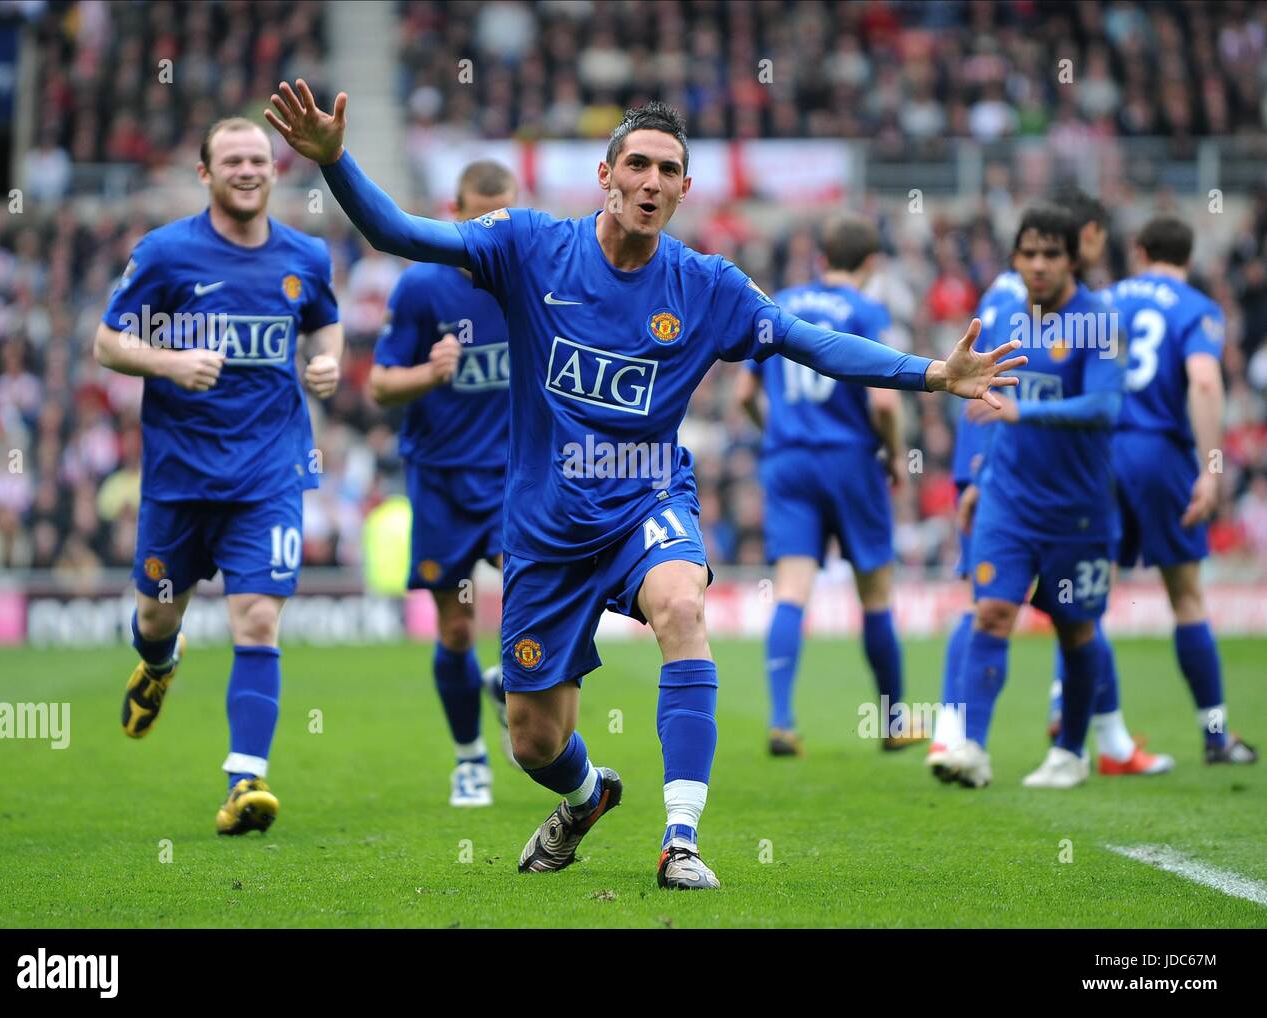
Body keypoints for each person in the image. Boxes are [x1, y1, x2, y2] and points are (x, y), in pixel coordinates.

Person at [265, 79, 1024, 888]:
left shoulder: (708, 287)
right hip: (544, 528)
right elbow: (398, 233)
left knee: (680, 605)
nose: (652, 182)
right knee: (534, 740)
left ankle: (682, 839)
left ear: (686, 189)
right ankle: (588, 796)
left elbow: (813, 343)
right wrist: (336, 161)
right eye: (638, 164)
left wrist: (934, 372)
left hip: (647, 500)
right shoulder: (529, 246)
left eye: (668, 170)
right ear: (607, 173)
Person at [95, 116, 342, 834]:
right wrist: (169, 362)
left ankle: (245, 782)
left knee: (259, 619)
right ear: (205, 174)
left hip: (269, 475)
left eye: (258, 159)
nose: (247, 169)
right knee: (154, 616)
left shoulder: (306, 256)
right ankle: (160, 660)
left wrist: (324, 359)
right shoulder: (167, 254)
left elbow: (323, 322)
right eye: (231, 159)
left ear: (274, 170)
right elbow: (107, 342)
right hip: (179, 478)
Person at [932, 204, 1123, 789]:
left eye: (1051, 254)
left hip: (1078, 508)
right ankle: (972, 749)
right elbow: (979, 404)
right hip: (1008, 500)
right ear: (1015, 259)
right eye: (1029, 253)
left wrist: (1025, 411)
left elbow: (1105, 406)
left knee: (1076, 628)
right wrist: (975, 479)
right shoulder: (1003, 318)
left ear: (1072, 259)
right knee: (991, 611)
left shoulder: (1098, 322)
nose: (1039, 265)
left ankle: (1071, 751)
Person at [737, 213, 924, 756]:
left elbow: (747, 393)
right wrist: (892, 454)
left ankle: (782, 720)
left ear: (822, 259)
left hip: (789, 461)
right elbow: (884, 400)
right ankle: (891, 721)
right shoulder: (868, 309)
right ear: (871, 264)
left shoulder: (782, 304)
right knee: (875, 594)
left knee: (792, 589)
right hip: (849, 460)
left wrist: (776, 436)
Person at [370, 160, 520, 807]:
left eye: (502, 217)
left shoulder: (528, 277)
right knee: (456, 630)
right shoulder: (420, 289)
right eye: (479, 216)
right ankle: (470, 758)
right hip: (440, 480)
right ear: (453, 212)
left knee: (536, 598)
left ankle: (512, 680)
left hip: (517, 476)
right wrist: (427, 375)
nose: (491, 229)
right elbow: (379, 386)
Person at [1106, 214, 1256, 764]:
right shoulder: (1196, 307)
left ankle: (1069, 717)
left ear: (1140, 250)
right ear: (1187, 258)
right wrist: (1212, 466)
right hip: (1158, 454)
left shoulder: (1101, 300)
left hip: (1098, 452)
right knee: (1186, 596)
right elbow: (1204, 381)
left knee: (1086, 596)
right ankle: (1215, 735)